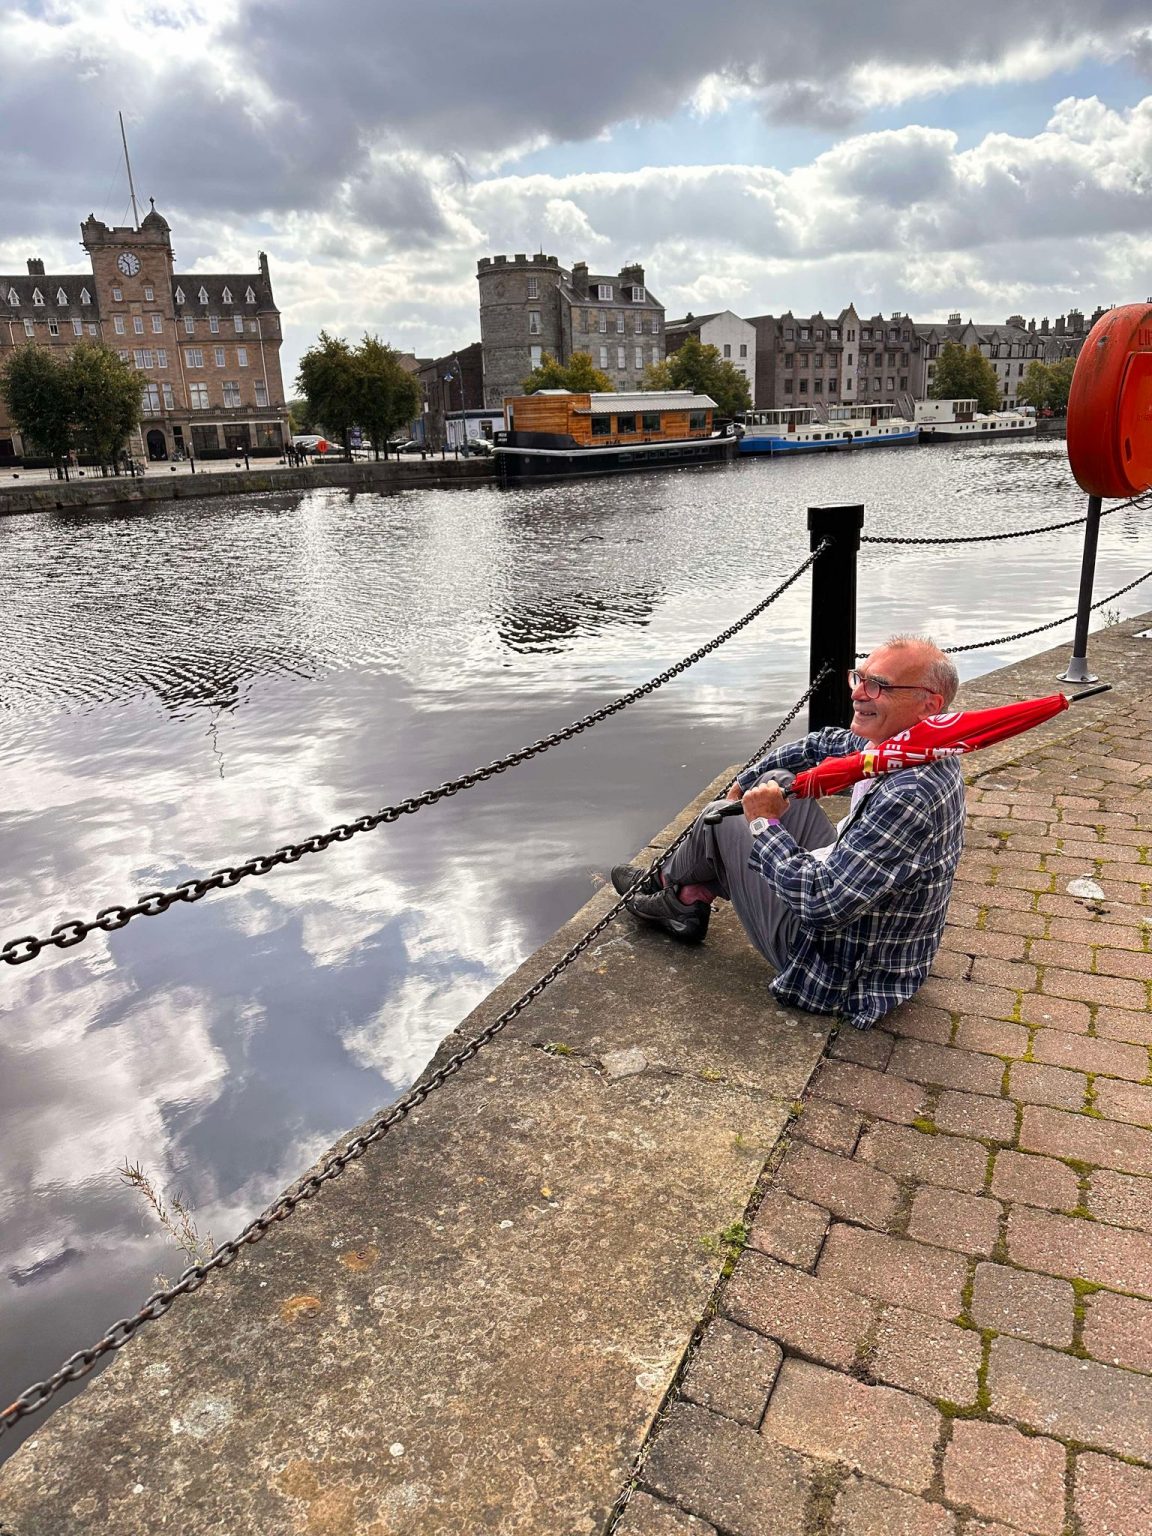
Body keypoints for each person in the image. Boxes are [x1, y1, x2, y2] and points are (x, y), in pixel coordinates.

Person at [612, 635, 966, 1032]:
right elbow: (823, 744)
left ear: (929, 703)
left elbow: (823, 904)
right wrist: (747, 780)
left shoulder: (911, 793)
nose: (858, 694)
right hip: (862, 931)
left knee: (726, 816)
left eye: (878, 685)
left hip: (840, 974)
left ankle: (671, 889)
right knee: (775, 780)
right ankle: (683, 894)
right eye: (859, 678)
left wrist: (763, 823)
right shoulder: (917, 745)